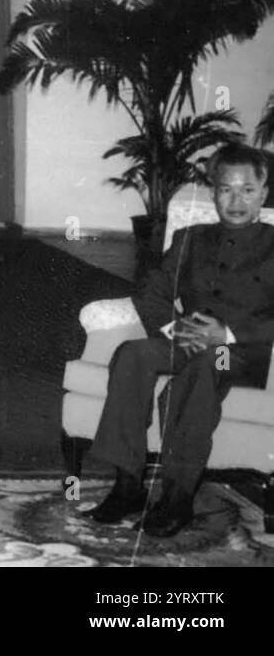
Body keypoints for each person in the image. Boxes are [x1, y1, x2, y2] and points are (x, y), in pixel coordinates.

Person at [86, 143, 274, 537]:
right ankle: (127, 485)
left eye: (247, 190)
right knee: (132, 354)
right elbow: (152, 295)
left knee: (207, 366)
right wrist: (178, 331)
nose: (236, 200)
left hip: (237, 353)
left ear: (263, 192)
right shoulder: (191, 237)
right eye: (226, 189)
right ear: (213, 192)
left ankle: (177, 497)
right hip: (184, 339)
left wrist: (227, 335)